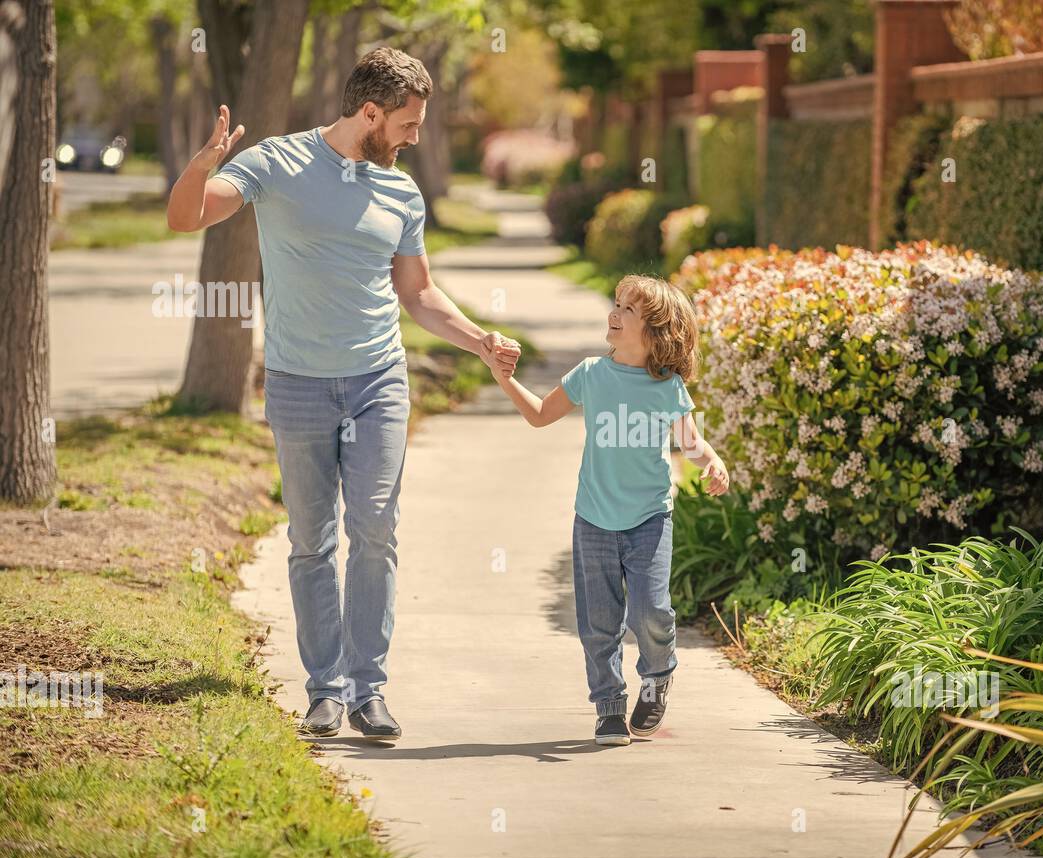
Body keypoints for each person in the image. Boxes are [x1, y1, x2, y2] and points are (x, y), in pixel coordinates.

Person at [165, 47, 520, 742]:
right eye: (409, 124)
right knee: (310, 538)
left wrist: (479, 339)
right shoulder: (277, 163)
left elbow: (416, 294)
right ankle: (324, 691)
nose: (415, 136)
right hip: (298, 382)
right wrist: (203, 162)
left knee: (376, 530)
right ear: (369, 113)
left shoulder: (402, 192)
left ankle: (368, 691)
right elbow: (187, 218)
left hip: (377, 381)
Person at [491, 275, 730, 745]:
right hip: (594, 518)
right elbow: (540, 415)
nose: (614, 314)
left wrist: (714, 461)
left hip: (649, 519)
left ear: (656, 332)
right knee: (599, 622)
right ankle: (609, 708)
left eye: (628, 310)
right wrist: (506, 379)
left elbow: (690, 443)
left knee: (650, 611)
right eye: (616, 304)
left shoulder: (668, 387)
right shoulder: (590, 374)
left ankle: (659, 673)